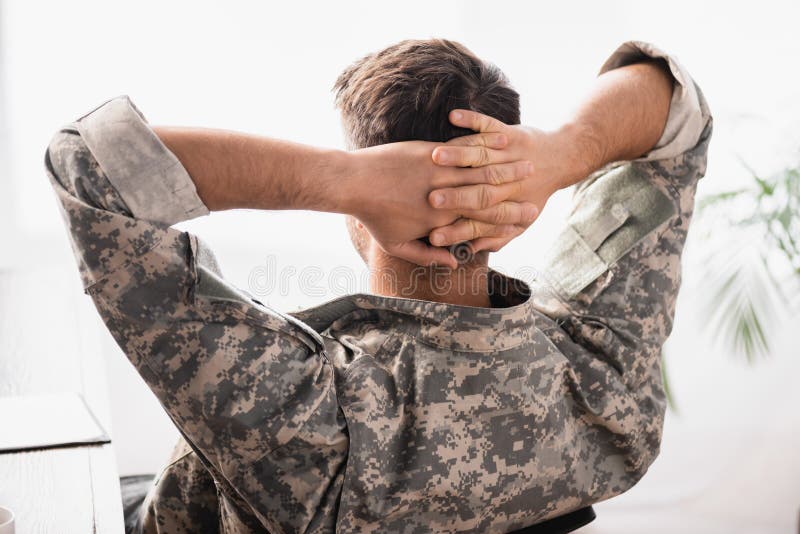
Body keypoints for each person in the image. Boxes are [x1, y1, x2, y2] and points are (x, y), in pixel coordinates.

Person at [45, 38, 711, 533]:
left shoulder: (317, 417)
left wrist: (341, 178)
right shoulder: (600, 380)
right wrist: (559, 152)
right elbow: (675, 109)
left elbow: (88, 161)